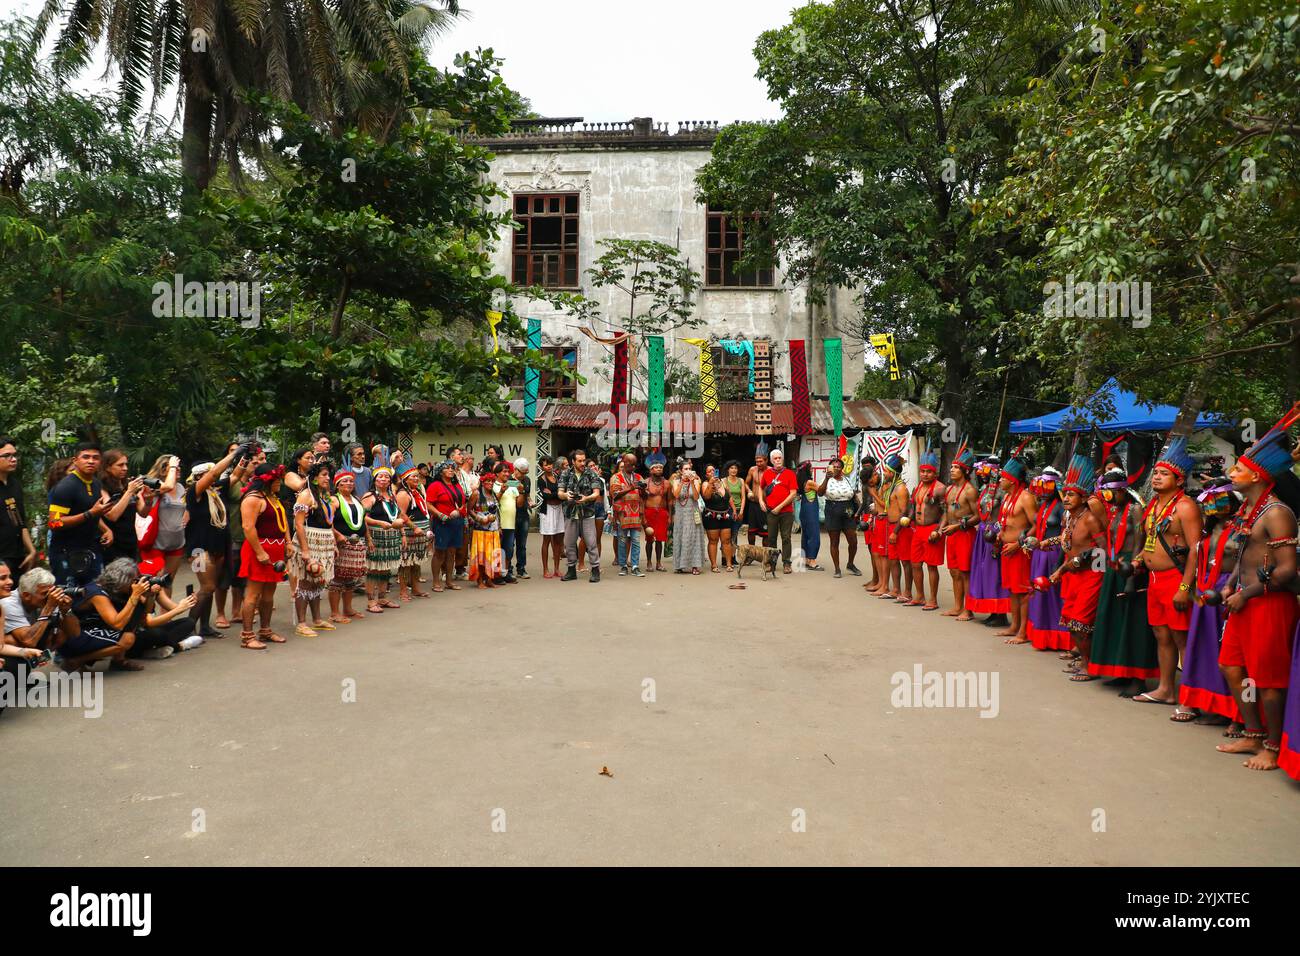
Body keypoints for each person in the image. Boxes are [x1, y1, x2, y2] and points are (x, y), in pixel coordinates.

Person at [1215, 414, 1300, 771]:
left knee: (1268, 679)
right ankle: (1252, 731)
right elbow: (1244, 556)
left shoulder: (1277, 513)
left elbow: (1287, 570)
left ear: (1258, 476)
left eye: (1239, 469)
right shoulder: (1248, 511)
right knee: (1233, 666)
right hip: (1243, 600)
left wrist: (1246, 593)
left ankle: (1272, 746)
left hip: (1268, 604)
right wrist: (1230, 583)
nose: (1232, 473)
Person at [1176, 473, 1242, 730]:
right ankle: (1197, 700)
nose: (1212, 504)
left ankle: (1230, 710)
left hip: (1226, 592)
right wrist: (1187, 588)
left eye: (1218, 498)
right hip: (1203, 591)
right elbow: (1195, 557)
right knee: (1200, 648)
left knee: (1225, 652)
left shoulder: (1242, 527)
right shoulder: (1207, 527)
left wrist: (1231, 589)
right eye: (1209, 499)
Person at [1086, 466, 1160, 694]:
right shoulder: (1116, 511)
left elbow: (1140, 542)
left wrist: (1131, 577)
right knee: (1115, 621)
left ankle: (1138, 679)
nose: (1107, 499)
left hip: (1132, 567)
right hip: (1115, 566)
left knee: (1132, 624)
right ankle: (1119, 672)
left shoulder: (1136, 509)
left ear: (1121, 490)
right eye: (1104, 494)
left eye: (1110, 493)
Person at [1054, 453, 1104, 680]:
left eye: (1071, 495)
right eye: (1065, 494)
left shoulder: (1090, 519)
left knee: (1080, 623)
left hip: (1091, 576)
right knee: (1071, 622)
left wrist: (1085, 562)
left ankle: (1089, 665)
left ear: (1083, 498)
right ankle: (1085, 661)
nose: (1066, 498)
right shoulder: (1069, 518)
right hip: (1072, 576)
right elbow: (1068, 544)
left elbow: (1103, 549)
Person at [185, 447, 242, 639]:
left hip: (216, 547)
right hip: (199, 549)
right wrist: (233, 454)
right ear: (200, 475)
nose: (214, 477)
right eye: (208, 474)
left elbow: (236, 475)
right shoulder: (195, 492)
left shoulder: (215, 492)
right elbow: (215, 472)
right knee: (207, 587)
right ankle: (187, 628)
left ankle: (205, 628)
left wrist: (244, 458)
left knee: (210, 588)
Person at [238, 464, 294, 649]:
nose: (280, 482)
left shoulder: (273, 498)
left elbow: (284, 522)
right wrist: (260, 552)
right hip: (259, 549)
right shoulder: (253, 499)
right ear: (267, 480)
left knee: (269, 594)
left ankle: (265, 630)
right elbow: (248, 527)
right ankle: (247, 636)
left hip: (276, 549)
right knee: (253, 594)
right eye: (276, 479)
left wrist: (288, 542)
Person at [65, 557, 148, 671]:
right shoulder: (97, 593)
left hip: (93, 625)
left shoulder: (113, 590)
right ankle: (77, 661)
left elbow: (144, 613)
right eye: (133, 581)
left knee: (135, 607)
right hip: (76, 634)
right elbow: (117, 624)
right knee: (127, 639)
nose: (135, 584)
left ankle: (118, 660)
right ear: (121, 581)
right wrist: (134, 596)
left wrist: (150, 595)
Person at [47, 442, 111, 587]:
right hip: (66, 553)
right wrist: (90, 514)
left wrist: (107, 530)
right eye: (86, 457)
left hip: (90, 549)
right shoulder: (66, 487)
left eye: (95, 458)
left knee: (94, 595)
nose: (91, 461)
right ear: (75, 460)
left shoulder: (95, 483)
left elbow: (92, 511)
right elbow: (54, 523)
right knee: (67, 599)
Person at [291, 460, 339, 637]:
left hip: (324, 542)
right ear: (315, 478)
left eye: (329, 475)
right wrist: (305, 550)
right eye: (324, 475)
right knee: (305, 581)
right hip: (309, 542)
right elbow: (298, 523)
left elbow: (329, 523)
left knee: (318, 581)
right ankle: (301, 623)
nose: (328, 478)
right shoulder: (306, 495)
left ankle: (317, 620)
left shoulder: (324, 496)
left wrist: (333, 543)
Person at [1024, 466, 1069, 651]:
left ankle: (1058, 637)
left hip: (1054, 555)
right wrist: (1029, 541)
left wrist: (1045, 543)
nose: (1042, 490)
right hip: (1040, 554)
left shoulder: (1061, 508)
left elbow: (1066, 535)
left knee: (1053, 596)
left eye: (1046, 486)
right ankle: (1041, 635)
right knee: (1039, 594)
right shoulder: (1043, 505)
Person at [995, 448, 1037, 642]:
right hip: (1006, 550)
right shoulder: (1006, 497)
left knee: (1022, 591)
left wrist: (1019, 545)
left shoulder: (1026, 497)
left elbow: (1037, 525)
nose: (999, 481)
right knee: (1012, 590)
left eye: (1002, 478)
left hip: (1019, 551)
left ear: (1012, 479)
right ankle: (1013, 626)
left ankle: (1022, 631)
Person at [214, 446, 258, 629]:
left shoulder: (254, 483)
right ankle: (220, 614)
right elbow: (233, 475)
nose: (253, 465)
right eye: (250, 462)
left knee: (240, 578)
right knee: (224, 578)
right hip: (229, 535)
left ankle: (236, 611)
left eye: (255, 462)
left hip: (245, 536)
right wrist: (240, 459)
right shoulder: (229, 481)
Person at [965, 456, 1010, 626]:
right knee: (984, 572)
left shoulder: (1002, 492)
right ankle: (992, 610)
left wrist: (997, 531)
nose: (982, 474)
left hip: (995, 533)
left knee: (995, 573)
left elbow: (1005, 514)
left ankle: (1001, 614)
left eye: (987, 471)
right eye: (981, 471)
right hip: (983, 532)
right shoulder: (984, 489)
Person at [938, 445, 978, 618]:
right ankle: (957, 606)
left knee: (965, 572)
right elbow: (947, 513)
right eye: (952, 467)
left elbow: (978, 516)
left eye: (956, 468)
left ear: (965, 470)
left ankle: (968, 610)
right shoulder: (949, 490)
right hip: (952, 534)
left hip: (965, 534)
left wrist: (959, 526)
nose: (952, 470)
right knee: (954, 572)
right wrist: (941, 529)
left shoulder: (970, 491)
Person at [1, 566, 80, 652]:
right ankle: (22, 664)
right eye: (45, 593)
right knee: (15, 643)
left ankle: (35, 659)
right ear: (26, 595)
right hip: (8, 653)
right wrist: (48, 608)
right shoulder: (8, 603)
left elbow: (74, 633)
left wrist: (66, 611)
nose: (50, 596)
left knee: (61, 631)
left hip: (26, 648)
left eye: (52, 591)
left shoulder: (49, 600)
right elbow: (28, 641)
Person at [138, 453, 186, 591]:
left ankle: (167, 612)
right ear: (164, 469)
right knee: (154, 583)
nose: (178, 469)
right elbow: (168, 487)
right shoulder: (152, 485)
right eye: (175, 467)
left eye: (178, 467)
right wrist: (172, 466)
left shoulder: (181, 488)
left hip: (177, 542)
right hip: (156, 543)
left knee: (167, 582)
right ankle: (151, 611)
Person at [362, 466, 405, 613]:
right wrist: (378, 524)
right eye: (380, 476)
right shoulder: (369, 496)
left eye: (387, 477)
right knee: (373, 569)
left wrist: (403, 534)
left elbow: (398, 516)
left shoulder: (391, 496)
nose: (384, 479)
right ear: (374, 479)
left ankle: (382, 597)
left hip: (391, 537)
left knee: (385, 568)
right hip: (376, 536)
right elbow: (364, 518)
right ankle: (370, 601)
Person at [99, 449, 151, 566]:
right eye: (120, 465)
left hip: (130, 541)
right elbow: (112, 515)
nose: (125, 468)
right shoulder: (102, 487)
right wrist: (129, 492)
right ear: (107, 467)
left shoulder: (128, 485)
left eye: (126, 464)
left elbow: (143, 513)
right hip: (113, 544)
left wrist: (149, 499)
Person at [909, 449, 947, 610]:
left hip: (932, 529)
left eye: (928, 472)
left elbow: (946, 512)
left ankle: (933, 599)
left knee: (931, 566)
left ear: (935, 472)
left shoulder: (940, 488)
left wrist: (939, 531)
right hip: (918, 529)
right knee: (915, 564)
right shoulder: (918, 486)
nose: (925, 474)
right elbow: (914, 506)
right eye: (922, 471)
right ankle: (920, 596)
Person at [328, 469, 368, 621]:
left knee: (351, 578)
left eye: (351, 481)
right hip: (341, 543)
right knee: (338, 578)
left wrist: (368, 538)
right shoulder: (334, 500)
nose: (349, 483)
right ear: (337, 485)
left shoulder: (356, 499)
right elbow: (328, 522)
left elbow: (363, 520)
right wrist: (337, 537)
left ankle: (348, 609)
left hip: (357, 543)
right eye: (344, 481)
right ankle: (334, 613)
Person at [559, 447, 602, 582]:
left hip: (587, 513)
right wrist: (566, 495)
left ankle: (595, 570)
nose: (583, 463)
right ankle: (571, 570)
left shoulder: (591, 473)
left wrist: (586, 498)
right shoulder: (566, 473)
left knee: (591, 542)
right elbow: (560, 493)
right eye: (579, 461)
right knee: (569, 543)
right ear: (573, 461)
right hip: (570, 513)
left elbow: (596, 493)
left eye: (584, 460)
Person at [427, 460, 467, 592]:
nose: (451, 470)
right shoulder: (435, 485)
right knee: (439, 553)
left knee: (452, 553)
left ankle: (449, 581)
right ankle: (436, 582)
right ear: (440, 471)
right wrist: (439, 514)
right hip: (442, 522)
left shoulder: (457, 485)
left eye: (453, 468)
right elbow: (429, 504)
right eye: (447, 468)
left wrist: (459, 511)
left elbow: (462, 503)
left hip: (456, 522)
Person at [395, 461, 432, 600]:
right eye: (413, 477)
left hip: (420, 534)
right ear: (405, 479)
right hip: (409, 533)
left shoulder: (416, 492)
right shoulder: (404, 494)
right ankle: (403, 591)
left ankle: (416, 589)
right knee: (405, 562)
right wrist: (414, 527)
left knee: (416, 562)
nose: (416, 479)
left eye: (417, 476)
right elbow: (401, 514)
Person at [877, 454, 912, 601]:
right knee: (893, 559)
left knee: (905, 561)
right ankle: (896, 589)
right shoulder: (891, 487)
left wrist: (896, 532)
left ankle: (908, 592)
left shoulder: (901, 488)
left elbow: (904, 512)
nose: (885, 473)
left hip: (900, 529)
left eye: (887, 471)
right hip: (891, 526)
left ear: (893, 473)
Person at [758, 448, 799, 574]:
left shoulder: (790, 473)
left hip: (786, 511)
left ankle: (787, 563)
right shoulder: (767, 473)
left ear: (782, 459)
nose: (777, 460)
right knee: (771, 538)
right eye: (775, 458)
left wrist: (779, 507)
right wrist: (761, 501)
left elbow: (793, 493)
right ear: (771, 461)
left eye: (779, 457)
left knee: (786, 537)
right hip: (771, 511)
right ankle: (772, 563)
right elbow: (761, 488)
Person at [0, 438, 36, 577]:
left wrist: (31, 550)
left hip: (17, 554)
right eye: (7, 456)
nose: (13, 459)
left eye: (14, 455)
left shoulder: (14, 484)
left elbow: (19, 520)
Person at [818, 457, 858, 578]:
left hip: (848, 510)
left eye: (838, 466)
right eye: (833, 466)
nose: (836, 468)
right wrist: (826, 478)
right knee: (834, 541)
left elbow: (853, 495)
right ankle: (837, 568)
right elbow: (820, 493)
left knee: (853, 540)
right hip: (832, 510)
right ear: (830, 467)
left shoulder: (847, 479)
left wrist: (858, 509)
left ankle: (850, 564)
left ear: (842, 468)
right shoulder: (826, 479)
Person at [609, 453, 646, 577]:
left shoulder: (639, 477)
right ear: (624, 462)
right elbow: (615, 494)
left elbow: (645, 496)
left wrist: (643, 490)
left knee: (636, 540)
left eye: (635, 464)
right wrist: (631, 487)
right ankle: (623, 565)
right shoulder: (616, 477)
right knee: (622, 540)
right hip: (622, 513)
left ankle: (635, 566)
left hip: (636, 514)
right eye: (630, 464)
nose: (633, 467)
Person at [468, 474, 504, 588]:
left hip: (493, 529)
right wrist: (480, 519)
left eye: (492, 481)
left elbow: (497, 512)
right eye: (487, 481)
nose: (490, 483)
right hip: (480, 530)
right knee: (481, 555)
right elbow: (469, 510)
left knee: (493, 555)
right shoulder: (476, 494)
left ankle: (489, 579)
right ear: (482, 482)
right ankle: (479, 580)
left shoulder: (493, 495)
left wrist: (499, 527)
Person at [670, 458, 705, 575]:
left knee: (694, 538)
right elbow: (676, 495)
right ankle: (680, 565)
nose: (688, 470)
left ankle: (695, 566)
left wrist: (691, 482)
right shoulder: (676, 481)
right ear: (680, 471)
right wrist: (682, 482)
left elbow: (695, 497)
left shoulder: (696, 480)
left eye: (689, 468)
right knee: (680, 536)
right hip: (680, 513)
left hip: (693, 511)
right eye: (686, 469)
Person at [702, 463, 737, 573]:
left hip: (725, 515)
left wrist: (734, 510)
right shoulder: (705, 484)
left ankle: (729, 564)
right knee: (713, 541)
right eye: (709, 471)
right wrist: (711, 484)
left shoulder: (723, 482)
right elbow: (706, 497)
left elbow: (729, 497)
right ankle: (714, 565)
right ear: (706, 474)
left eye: (713, 470)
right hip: (711, 516)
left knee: (726, 540)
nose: (712, 472)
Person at [536, 455, 565, 578]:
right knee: (546, 540)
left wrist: (554, 493)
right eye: (545, 464)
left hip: (559, 510)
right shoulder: (541, 479)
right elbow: (546, 496)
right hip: (547, 510)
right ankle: (545, 569)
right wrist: (557, 493)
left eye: (550, 464)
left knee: (558, 540)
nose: (548, 466)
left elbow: (562, 492)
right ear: (542, 467)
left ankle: (557, 569)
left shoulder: (557, 477)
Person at [642, 451, 671, 572]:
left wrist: (670, 516)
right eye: (656, 467)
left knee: (660, 540)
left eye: (661, 467)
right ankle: (649, 562)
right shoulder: (645, 483)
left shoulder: (667, 483)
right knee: (650, 539)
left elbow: (669, 501)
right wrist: (642, 517)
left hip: (662, 513)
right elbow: (642, 501)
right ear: (651, 470)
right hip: (649, 512)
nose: (659, 469)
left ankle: (658, 563)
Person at [455, 452, 480, 579]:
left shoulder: (474, 475)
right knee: (457, 543)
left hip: (471, 512)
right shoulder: (457, 473)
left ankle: (463, 568)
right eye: (472, 458)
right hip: (459, 510)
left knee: (467, 542)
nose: (473, 461)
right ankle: (452, 570)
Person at [497, 464, 521, 585]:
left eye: (508, 472)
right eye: (504, 472)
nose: (507, 474)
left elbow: (520, 504)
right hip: (498, 525)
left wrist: (522, 492)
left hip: (511, 524)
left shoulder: (512, 485)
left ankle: (505, 573)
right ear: (497, 473)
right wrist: (501, 491)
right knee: (498, 550)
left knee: (509, 550)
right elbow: (493, 501)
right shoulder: (493, 484)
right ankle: (497, 575)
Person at [744, 445, 770, 545]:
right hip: (753, 504)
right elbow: (746, 483)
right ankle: (751, 553)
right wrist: (749, 491)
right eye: (757, 461)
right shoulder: (752, 470)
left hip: (765, 506)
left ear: (766, 460)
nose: (758, 463)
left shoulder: (771, 471)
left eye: (760, 461)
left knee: (766, 532)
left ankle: (765, 555)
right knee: (751, 531)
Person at [722, 461, 746, 565]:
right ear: (728, 469)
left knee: (735, 534)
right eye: (731, 468)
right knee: (726, 535)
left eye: (735, 468)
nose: (733, 470)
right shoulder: (724, 481)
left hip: (739, 509)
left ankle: (732, 557)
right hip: (727, 510)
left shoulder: (741, 481)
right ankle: (724, 557)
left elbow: (743, 497)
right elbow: (725, 496)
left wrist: (741, 511)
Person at [511, 458, 531, 580]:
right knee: (509, 544)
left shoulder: (527, 480)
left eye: (525, 472)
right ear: (515, 469)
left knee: (522, 544)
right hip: (511, 515)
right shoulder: (509, 480)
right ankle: (508, 568)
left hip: (524, 514)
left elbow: (527, 495)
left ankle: (521, 568)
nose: (523, 475)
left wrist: (529, 501)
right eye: (522, 472)